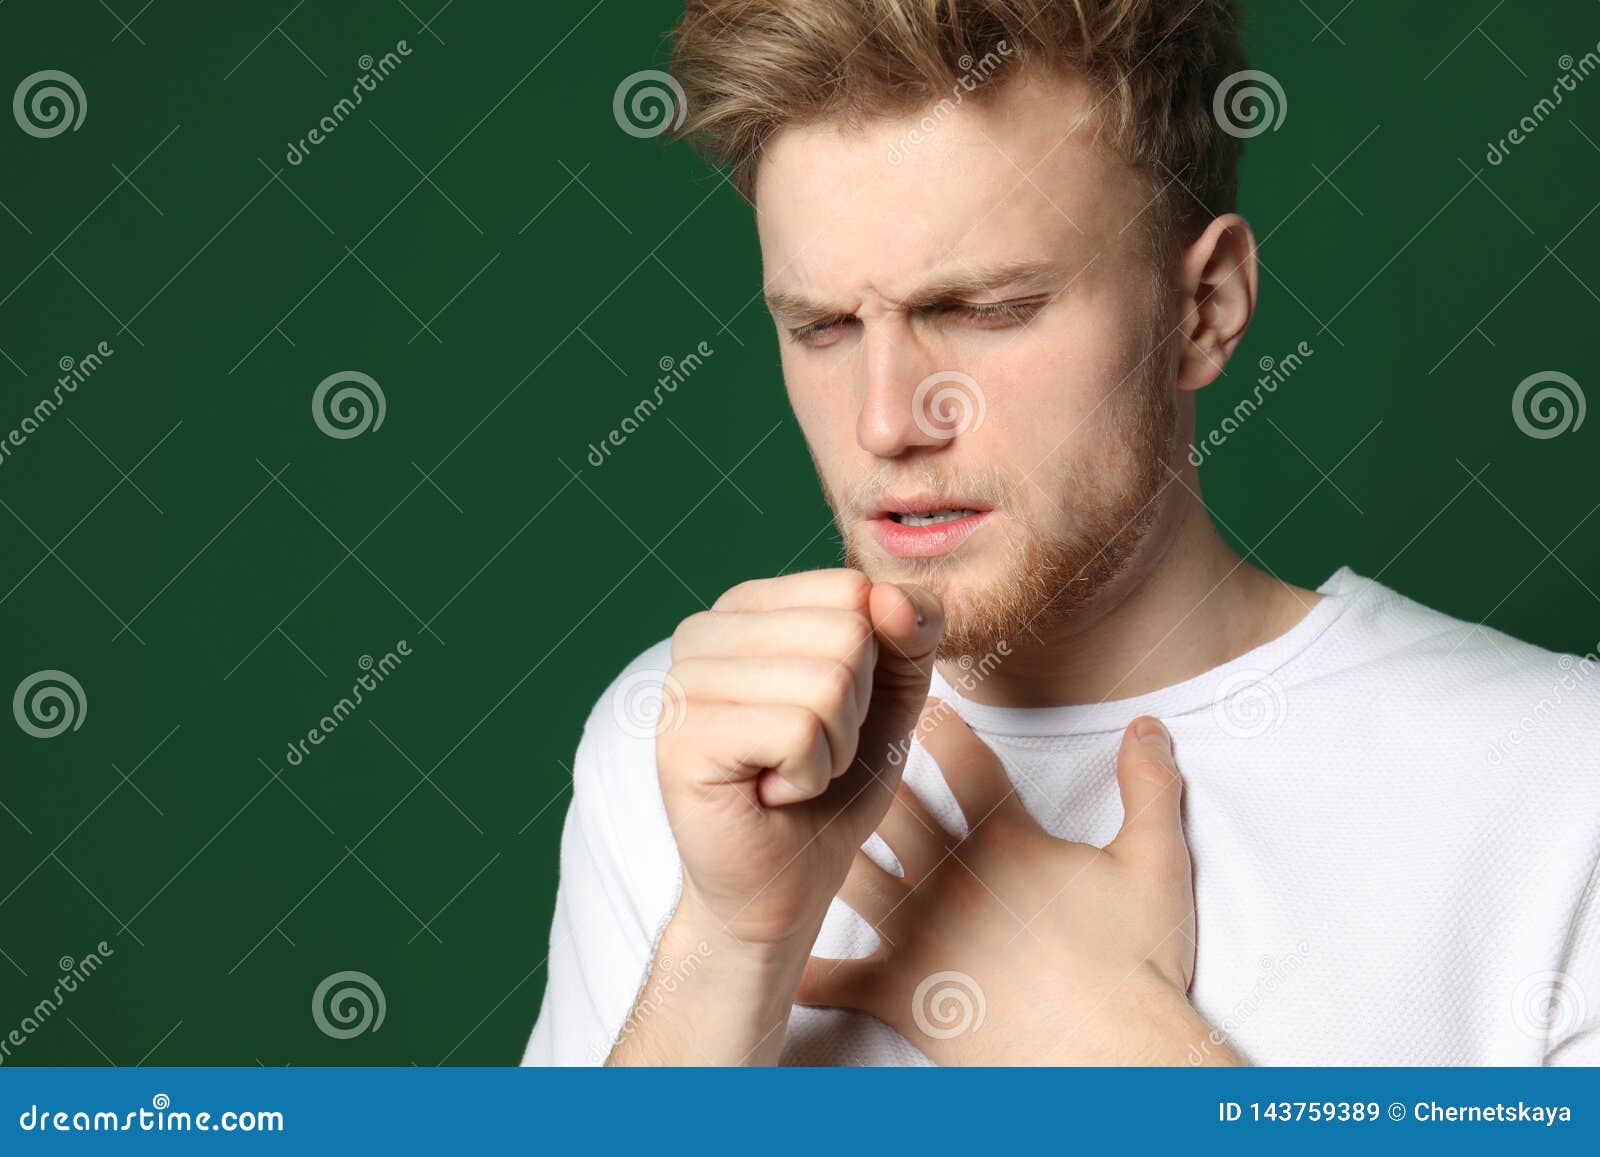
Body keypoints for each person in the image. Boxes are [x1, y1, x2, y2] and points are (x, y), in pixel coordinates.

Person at [523, 0, 1600, 1065]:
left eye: (985, 309)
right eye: (822, 327)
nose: (887, 420)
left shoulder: (1558, 787)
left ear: (1205, 308)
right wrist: (728, 945)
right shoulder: (687, 746)